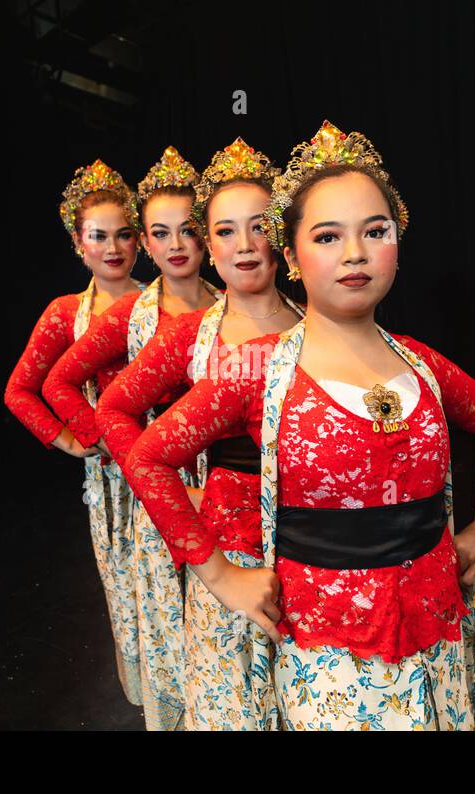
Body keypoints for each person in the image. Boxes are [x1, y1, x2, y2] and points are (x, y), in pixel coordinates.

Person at [126, 121, 475, 730]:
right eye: (327, 236)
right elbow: (147, 456)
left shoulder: (421, 363)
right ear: (290, 256)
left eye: (375, 231)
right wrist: (221, 575)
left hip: (438, 634)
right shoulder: (259, 372)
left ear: (398, 242)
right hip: (328, 655)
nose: (355, 253)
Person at [98, 138, 302, 730]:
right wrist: (187, 498)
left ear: (284, 237)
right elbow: (113, 411)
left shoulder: (324, 324)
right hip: (229, 548)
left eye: (259, 226)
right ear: (209, 246)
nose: (244, 245)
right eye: (225, 231)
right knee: (231, 698)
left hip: (311, 548)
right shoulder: (190, 336)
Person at [43, 146, 221, 730]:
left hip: (222, 478)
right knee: (154, 603)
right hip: (144, 477)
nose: (175, 246)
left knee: (221, 608)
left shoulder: (233, 306)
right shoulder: (121, 315)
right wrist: (90, 442)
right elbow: (50, 383)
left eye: (190, 231)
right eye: (160, 233)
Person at [2, 158, 146, 705]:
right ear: (78, 244)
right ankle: (143, 702)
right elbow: (19, 389)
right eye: (99, 237)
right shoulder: (66, 313)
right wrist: (72, 437)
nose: (113, 248)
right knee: (126, 587)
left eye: (124, 234)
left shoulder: (166, 301)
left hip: (173, 465)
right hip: (112, 483)